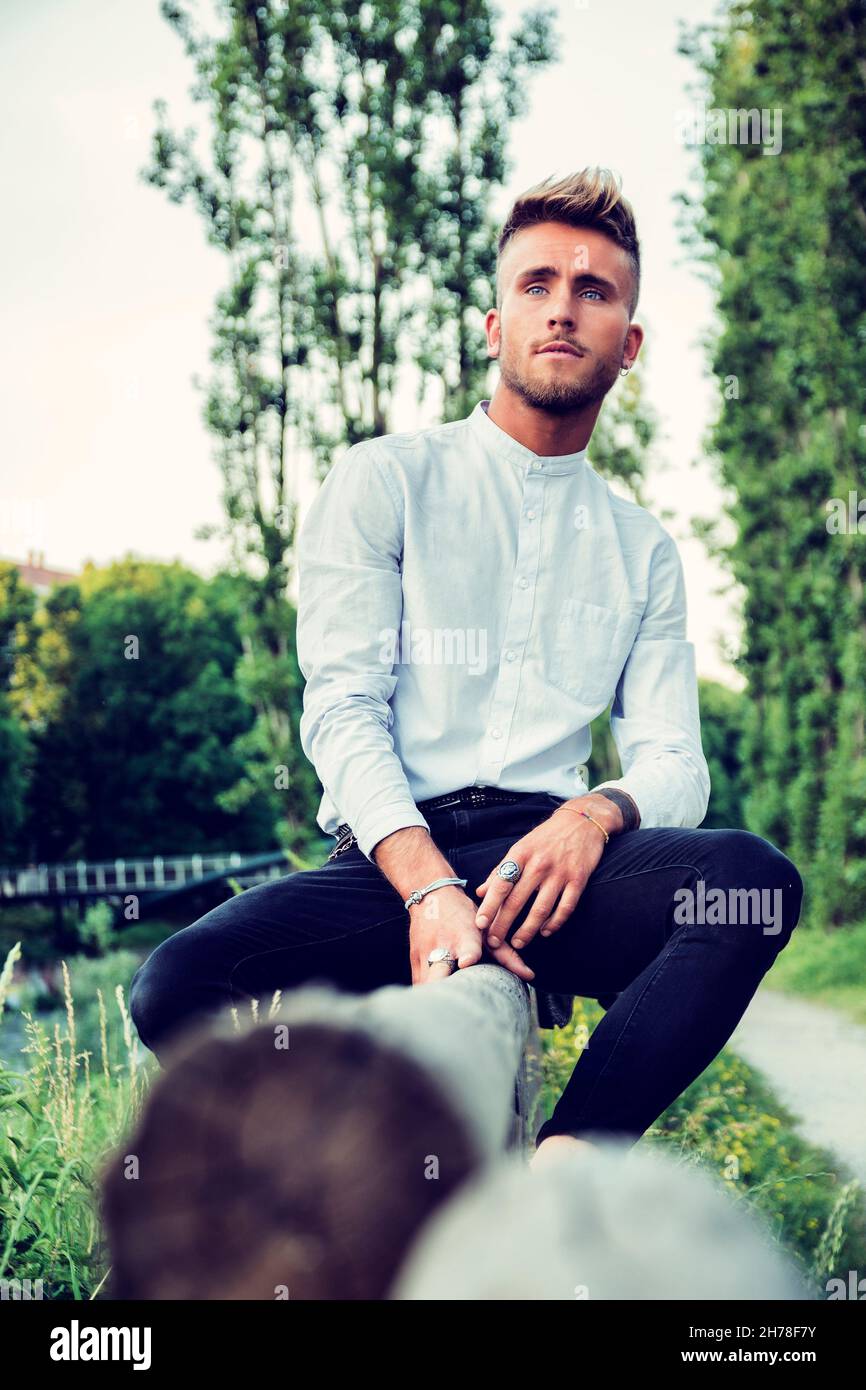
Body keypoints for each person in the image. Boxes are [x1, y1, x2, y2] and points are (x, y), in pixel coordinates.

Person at [129, 167, 804, 1157]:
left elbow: (676, 762)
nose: (562, 309)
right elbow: (342, 709)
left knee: (752, 882)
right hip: (386, 863)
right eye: (536, 285)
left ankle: (570, 1160)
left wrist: (591, 816)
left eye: (593, 290)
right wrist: (427, 888)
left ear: (629, 344)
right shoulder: (385, 479)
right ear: (495, 326)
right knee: (176, 985)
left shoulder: (643, 549)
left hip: (548, 873)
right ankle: (350, 1171)